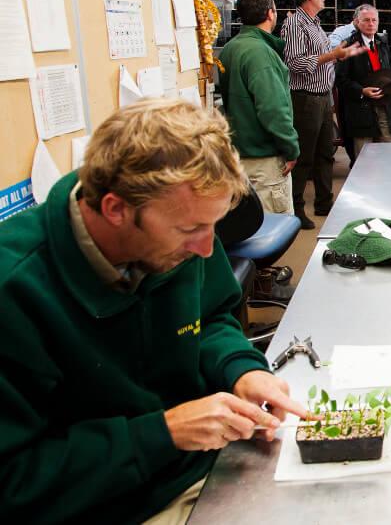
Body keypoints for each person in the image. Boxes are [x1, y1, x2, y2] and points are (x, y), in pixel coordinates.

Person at [0, 99, 308, 523]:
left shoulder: (179, 235)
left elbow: (213, 316)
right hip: (109, 505)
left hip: (202, 469)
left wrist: (241, 369)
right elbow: (13, 481)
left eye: (212, 226)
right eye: (190, 230)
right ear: (115, 209)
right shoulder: (16, 292)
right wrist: (162, 435)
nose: (206, 248)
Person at [280, 0, 364, 229]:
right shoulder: (295, 24)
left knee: (325, 154)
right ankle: (294, 210)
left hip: (321, 97)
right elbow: (295, 64)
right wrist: (332, 54)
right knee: (304, 157)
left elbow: (321, 58)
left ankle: (325, 203)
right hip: (305, 99)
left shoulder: (314, 24)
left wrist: (339, 55)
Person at [219, 0, 299, 214]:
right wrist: (291, 148)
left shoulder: (230, 48)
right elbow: (273, 109)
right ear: (270, 13)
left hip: (239, 156)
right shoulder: (261, 53)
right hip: (264, 161)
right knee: (272, 228)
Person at [336, 4, 391, 161]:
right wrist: (361, 91)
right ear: (357, 22)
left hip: (385, 107)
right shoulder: (348, 45)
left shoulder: (382, 44)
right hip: (361, 111)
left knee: (389, 156)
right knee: (364, 160)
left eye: (374, 20)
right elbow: (340, 79)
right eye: (366, 20)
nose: (371, 24)